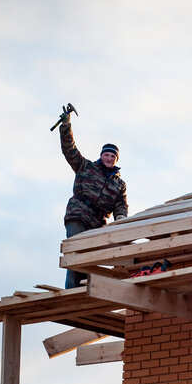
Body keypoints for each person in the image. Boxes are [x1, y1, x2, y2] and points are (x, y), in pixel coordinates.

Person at [58, 106, 128, 288]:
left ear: (116, 159)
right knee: (75, 253)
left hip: (96, 223)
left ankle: (83, 290)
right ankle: (72, 292)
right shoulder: (86, 167)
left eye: (113, 156)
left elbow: (121, 206)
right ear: (101, 155)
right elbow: (69, 149)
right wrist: (66, 125)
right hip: (78, 214)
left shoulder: (118, 184)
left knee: (89, 258)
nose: (109, 158)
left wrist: (121, 219)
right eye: (107, 154)